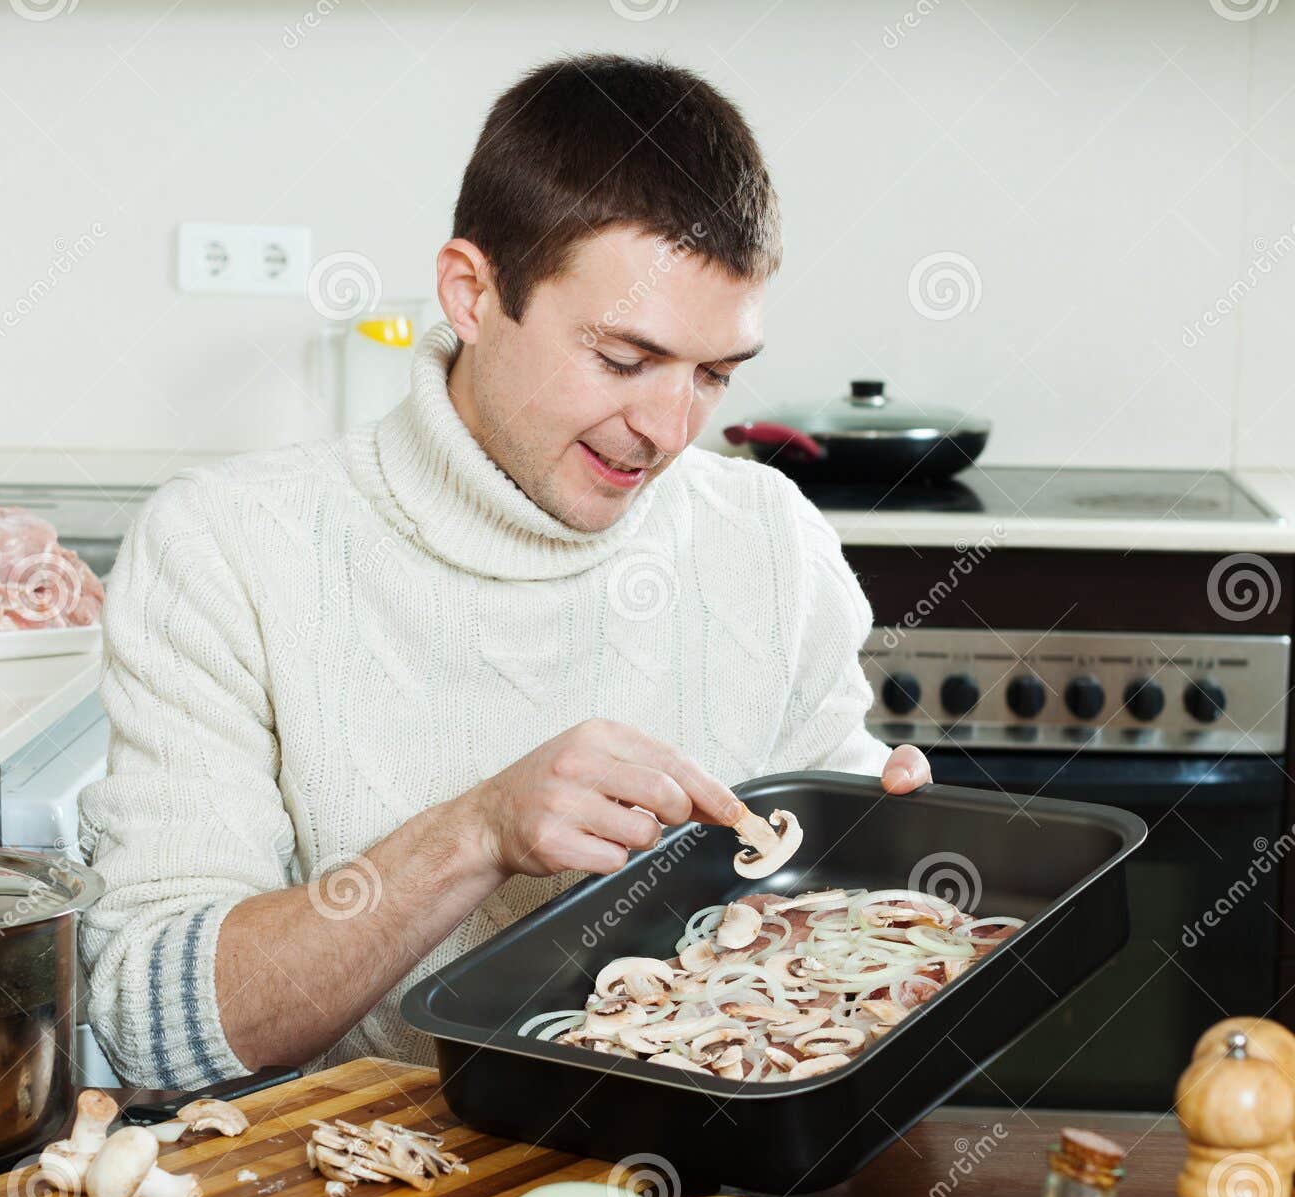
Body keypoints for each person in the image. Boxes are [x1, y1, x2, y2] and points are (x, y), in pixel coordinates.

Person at [78, 54, 930, 1088]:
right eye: (622, 360)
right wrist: (475, 834)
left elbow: (818, 926)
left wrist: (885, 893)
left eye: (712, 374)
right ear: (472, 293)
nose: (668, 430)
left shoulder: (764, 535)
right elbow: (150, 1025)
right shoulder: (228, 546)